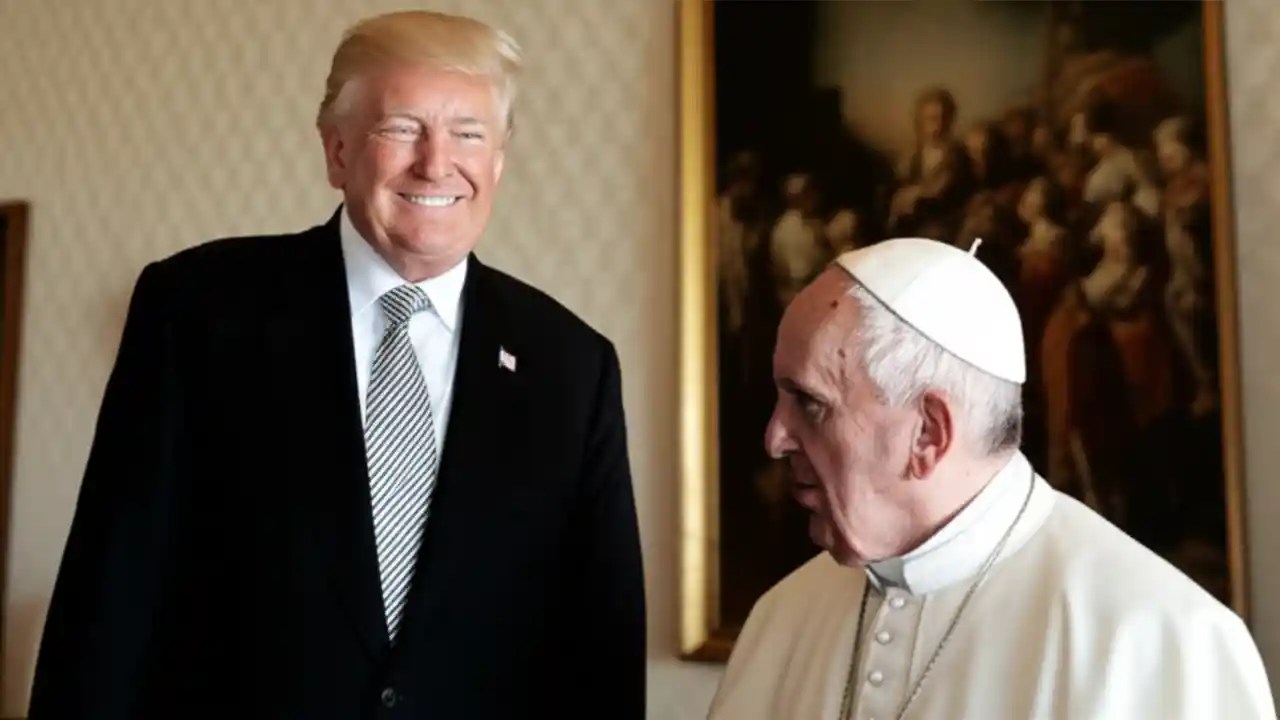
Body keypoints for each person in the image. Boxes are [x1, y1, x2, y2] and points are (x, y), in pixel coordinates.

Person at [28, 11, 645, 719]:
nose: (436, 162)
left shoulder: (572, 365)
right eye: (402, 128)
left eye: (469, 134)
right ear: (337, 150)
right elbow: (109, 600)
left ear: (499, 158)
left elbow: (601, 650)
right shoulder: (198, 313)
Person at [707, 237, 1274, 719]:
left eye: (809, 403)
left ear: (929, 433)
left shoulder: (1162, 640)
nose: (774, 438)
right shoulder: (781, 617)